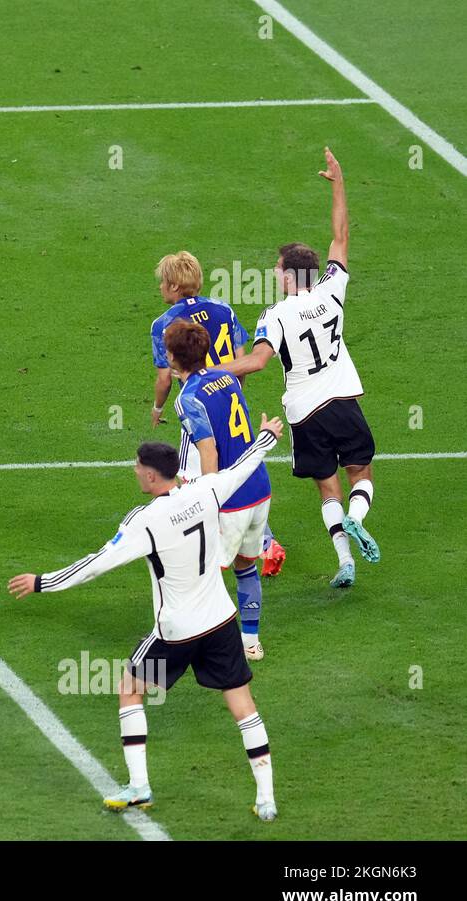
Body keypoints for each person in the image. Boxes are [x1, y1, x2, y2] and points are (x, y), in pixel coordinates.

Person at [8, 419, 285, 822]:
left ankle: (139, 786)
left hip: (176, 633)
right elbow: (242, 466)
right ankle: (267, 799)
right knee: (243, 707)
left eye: (137, 466)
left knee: (128, 688)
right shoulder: (206, 490)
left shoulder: (145, 521)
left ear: (152, 475)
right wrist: (269, 436)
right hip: (222, 621)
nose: (134, 470)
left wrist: (42, 582)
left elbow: (96, 565)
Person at [218, 147, 377, 589]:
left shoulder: (275, 315)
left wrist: (210, 372)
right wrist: (339, 182)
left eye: (278, 269)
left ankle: (345, 560)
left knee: (328, 489)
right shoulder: (332, 291)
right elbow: (341, 235)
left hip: (304, 412)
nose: (274, 273)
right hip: (343, 398)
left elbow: (259, 361)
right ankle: (358, 519)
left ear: (290, 276)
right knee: (360, 474)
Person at [149, 249, 286, 576]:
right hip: (231, 400)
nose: (159, 288)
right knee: (239, 469)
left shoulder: (165, 324)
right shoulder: (224, 309)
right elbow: (242, 360)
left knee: (193, 478)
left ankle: (215, 545)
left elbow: (165, 377)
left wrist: (156, 408)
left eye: (161, 283)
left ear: (172, 286)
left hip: (198, 408)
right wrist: (231, 394)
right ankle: (262, 540)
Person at [165, 320, 272, 661]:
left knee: (201, 572)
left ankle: (193, 642)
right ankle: (250, 642)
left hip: (231, 498)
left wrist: (207, 499)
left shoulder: (187, 398)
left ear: (172, 358)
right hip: (259, 485)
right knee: (247, 566)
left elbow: (208, 450)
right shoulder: (226, 377)